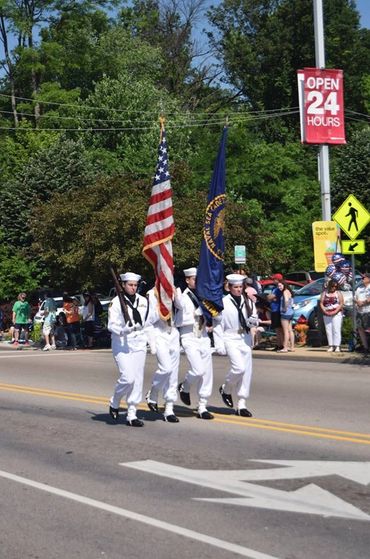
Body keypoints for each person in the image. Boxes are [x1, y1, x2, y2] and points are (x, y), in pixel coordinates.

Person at [108, 272, 153, 427]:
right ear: (123, 285)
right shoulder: (116, 302)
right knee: (128, 377)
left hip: (139, 342)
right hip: (122, 343)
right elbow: (111, 325)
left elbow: (148, 322)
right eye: (130, 285)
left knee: (138, 378)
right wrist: (122, 330)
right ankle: (115, 401)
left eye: (135, 285)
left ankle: (132, 413)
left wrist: (151, 341)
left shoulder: (143, 301)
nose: (133, 288)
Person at [177, 267, 215, 420]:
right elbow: (178, 321)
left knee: (207, 372)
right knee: (198, 370)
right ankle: (185, 386)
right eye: (194, 279)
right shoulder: (181, 297)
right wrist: (193, 316)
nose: (197, 282)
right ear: (187, 280)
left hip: (203, 336)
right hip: (189, 336)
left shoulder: (204, 296)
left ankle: (202, 406)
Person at [219, 274, 259, 417]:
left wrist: (254, 321)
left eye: (240, 287)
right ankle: (226, 389)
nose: (238, 290)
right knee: (238, 367)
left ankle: (241, 404)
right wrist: (219, 343)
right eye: (235, 287)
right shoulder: (223, 302)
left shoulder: (248, 302)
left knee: (246, 371)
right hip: (230, 337)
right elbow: (219, 324)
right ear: (229, 288)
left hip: (245, 337)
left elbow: (255, 319)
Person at [145, 285, 184, 423]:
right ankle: (153, 393)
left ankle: (169, 409)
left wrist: (174, 294)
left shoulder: (175, 291)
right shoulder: (152, 293)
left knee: (173, 373)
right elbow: (149, 320)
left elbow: (181, 307)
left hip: (173, 333)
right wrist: (152, 343)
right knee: (165, 368)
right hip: (159, 334)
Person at [319, 278, 344, 352]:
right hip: (327, 313)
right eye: (332, 286)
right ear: (329, 286)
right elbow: (321, 302)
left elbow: (341, 303)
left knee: (336, 329)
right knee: (328, 330)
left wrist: (335, 311)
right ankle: (331, 345)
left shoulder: (338, 293)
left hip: (337, 313)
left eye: (335, 287)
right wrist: (324, 310)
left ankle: (337, 346)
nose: (334, 288)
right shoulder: (324, 293)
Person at [267, 273, 284, 350]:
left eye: (274, 279)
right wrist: (270, 297)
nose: (273, 280)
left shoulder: (279, 288)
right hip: (273, 309)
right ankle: (278, 344)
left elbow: (271, 297)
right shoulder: (274, 288)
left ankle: (281, 344)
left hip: (278, 310)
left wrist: (271, 297)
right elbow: (269, 297)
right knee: (277, 329)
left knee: (279, 329)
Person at [354, 273, 370, 354]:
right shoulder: (359, 288)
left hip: (368, 311)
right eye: (362, 278)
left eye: (364, 278)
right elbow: (354, 298)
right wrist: (358, 302)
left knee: (368, 329)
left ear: (369, 279)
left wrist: (362, 303)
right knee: (360, 329)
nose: (362, 279)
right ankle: (365, 347)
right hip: (360, 311)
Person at [277, 281, 295, 353]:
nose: (279, 287)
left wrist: (284, 308)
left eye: (280, 285)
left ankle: (285, 348)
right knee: (290, 330)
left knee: (285, 331)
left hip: (285, 313)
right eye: (278, 286)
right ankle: (292, 347)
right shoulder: (289, 291)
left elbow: (286, 301)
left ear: (284, 285)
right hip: (291, 312)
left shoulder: (284, 292)